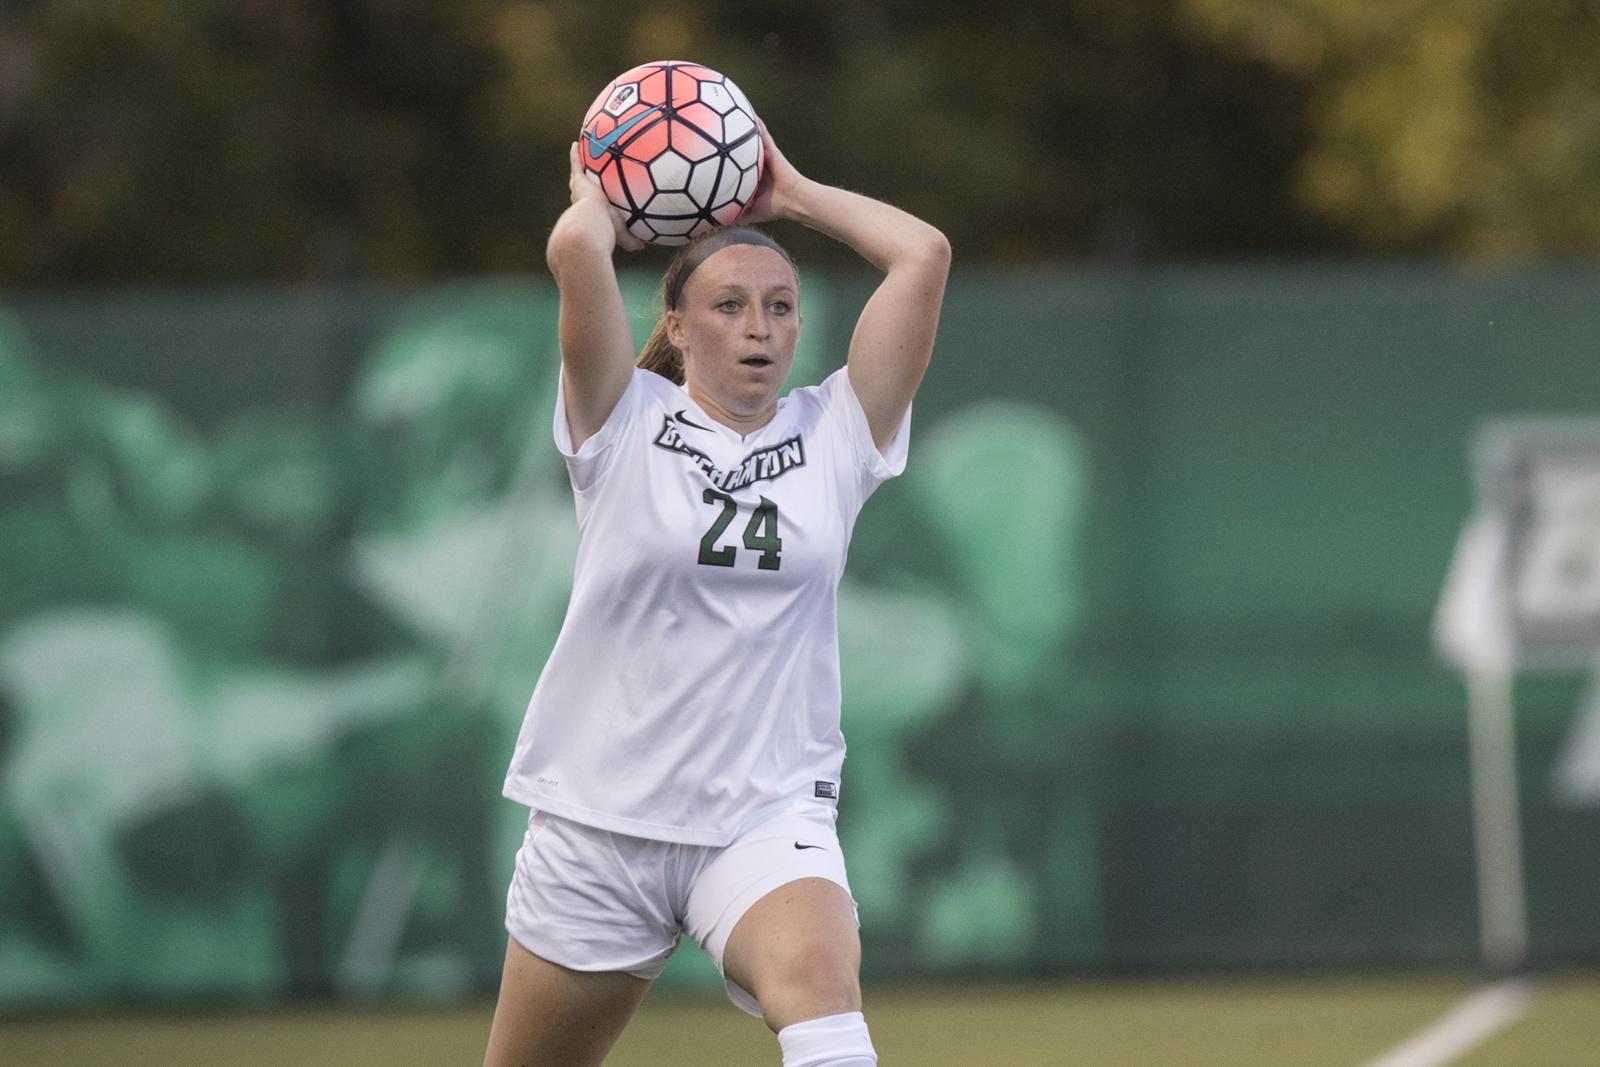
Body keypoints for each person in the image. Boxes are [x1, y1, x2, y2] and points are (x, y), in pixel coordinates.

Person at [483, 121, 950, 1067]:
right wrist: (600, 186)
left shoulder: (836, 432)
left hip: (763, 813)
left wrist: (790, 193)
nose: (759, 328)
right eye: (730, 305)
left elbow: (922, 254)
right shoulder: (621, 417)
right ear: (678, 328)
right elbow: (576, 249)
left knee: (821, 993)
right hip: (599, 822)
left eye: (780, 307)